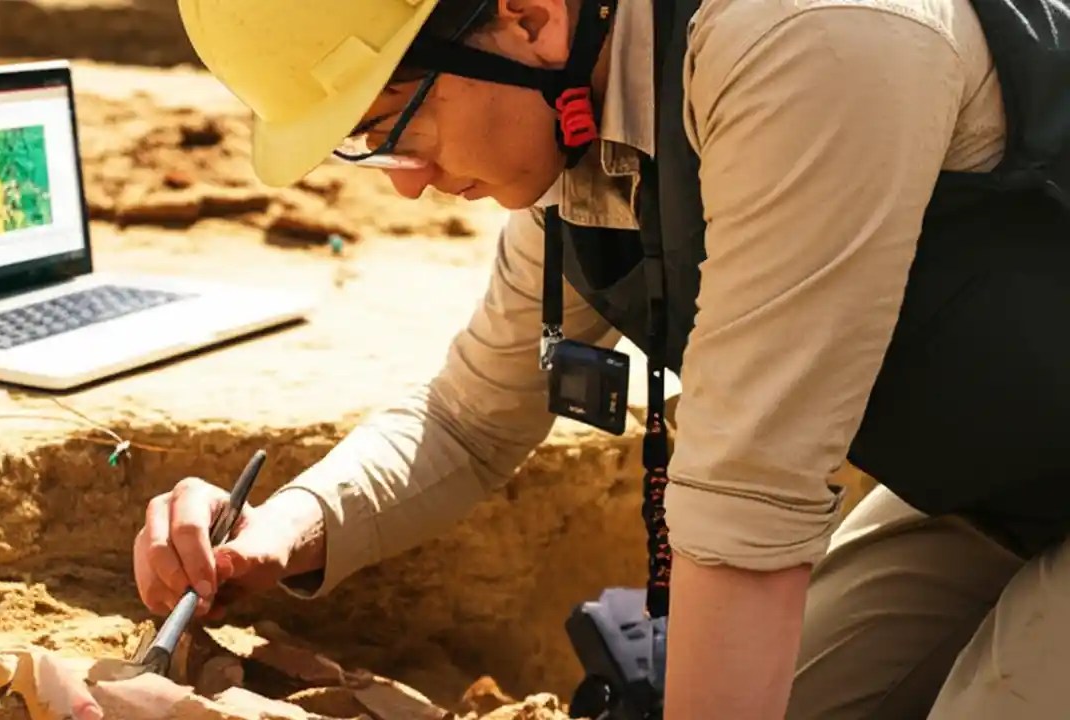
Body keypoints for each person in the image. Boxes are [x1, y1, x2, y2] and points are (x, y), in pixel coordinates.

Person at [132, 0, 1070, 717]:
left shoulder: (808, 39)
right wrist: (284, 523)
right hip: (1003, 483)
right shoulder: (579, 116)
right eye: (368, 146)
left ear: (526, 14)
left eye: (395, 123)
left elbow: (750, 498)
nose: (408, 182)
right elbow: (470, 417)